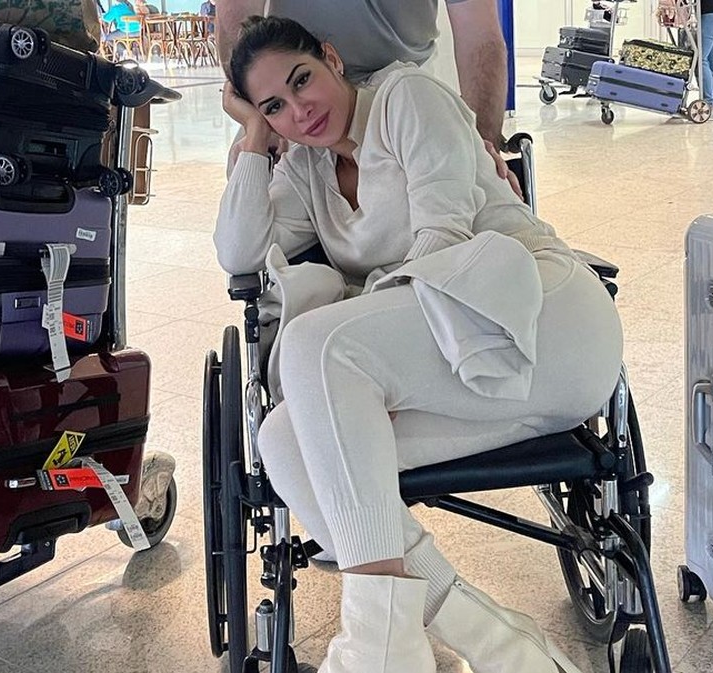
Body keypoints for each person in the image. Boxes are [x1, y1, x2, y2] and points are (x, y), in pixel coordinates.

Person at [217, 16, 624, 673]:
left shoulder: (406, 99)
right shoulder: (308, 170)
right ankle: (502, 648)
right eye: (275, 107)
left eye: (302, 80)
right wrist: (254, 139)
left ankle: (382, 654)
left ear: (331, 58)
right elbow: (237, 252)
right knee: (283, 440)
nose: (299, 110)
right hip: (465, 371)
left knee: (316, 346)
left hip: (540, 320)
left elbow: (444, 239)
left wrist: (366, 356)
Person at [215, 0, 507, 148]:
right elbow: (235, 20)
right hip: (297, 82)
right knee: (256, 195)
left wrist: (481, 144)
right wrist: (263, 122)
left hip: (402, 90)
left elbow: (480, 38)